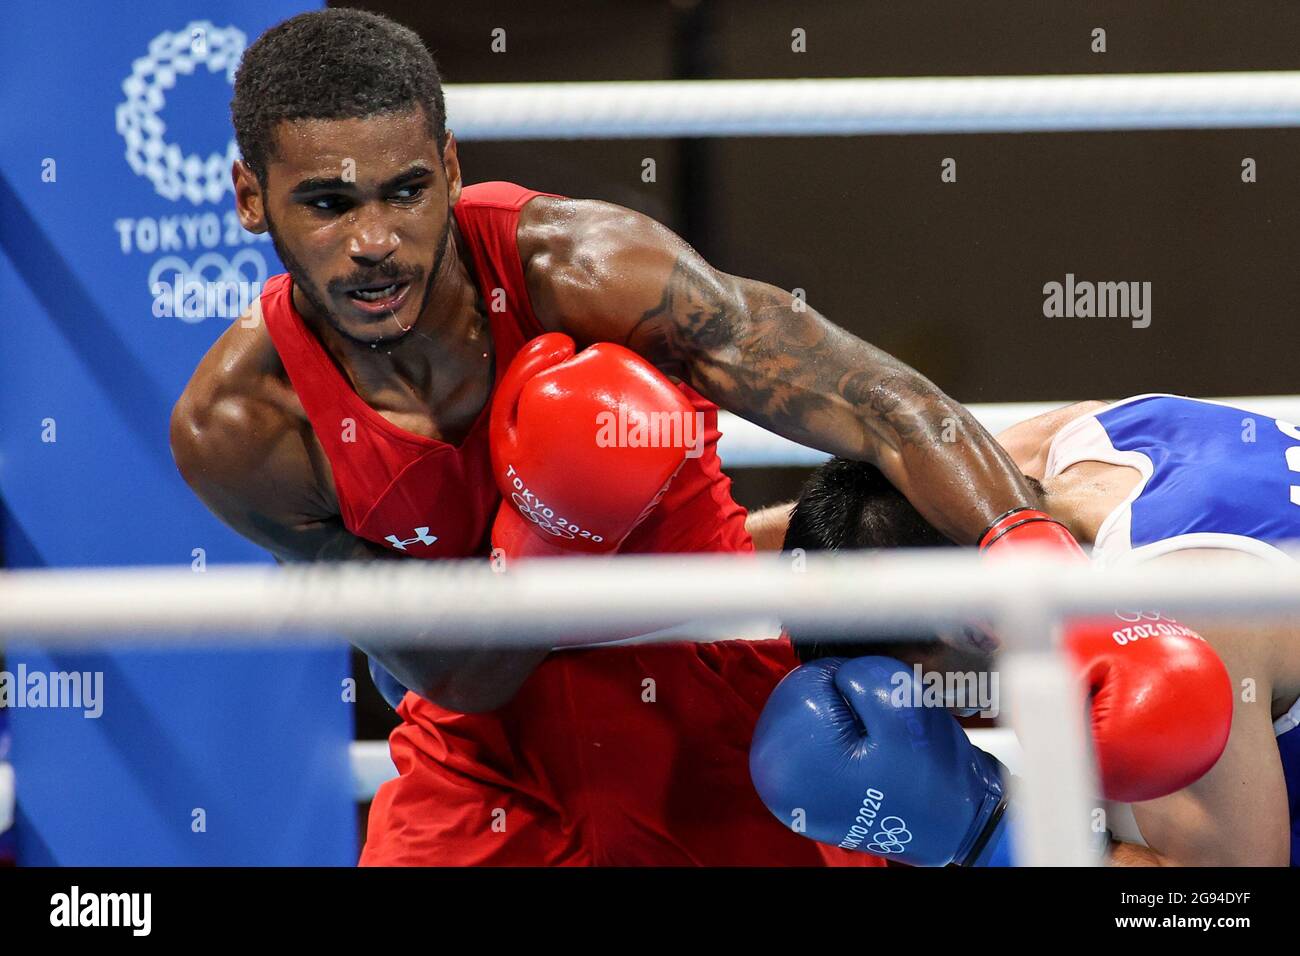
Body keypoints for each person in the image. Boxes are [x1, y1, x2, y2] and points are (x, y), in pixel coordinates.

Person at [173, 8, 1049, 865]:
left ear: (448, 166)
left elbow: (878, 403)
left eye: (405, 192)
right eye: (327, 204)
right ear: (251, 197)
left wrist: (1032, 552)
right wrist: (550, 539)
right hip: (485, 764)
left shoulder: (585, 270)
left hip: (728, 712)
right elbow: (455, 674)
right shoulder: (243, 429)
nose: (374, 241)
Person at [750, 393, 1297, 866]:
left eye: (925, 689)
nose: (950, 716)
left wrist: (986, 829)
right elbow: (890, 502)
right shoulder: (1074, 442)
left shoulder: (1175, 624)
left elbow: (1219, 913)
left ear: (977, 626)